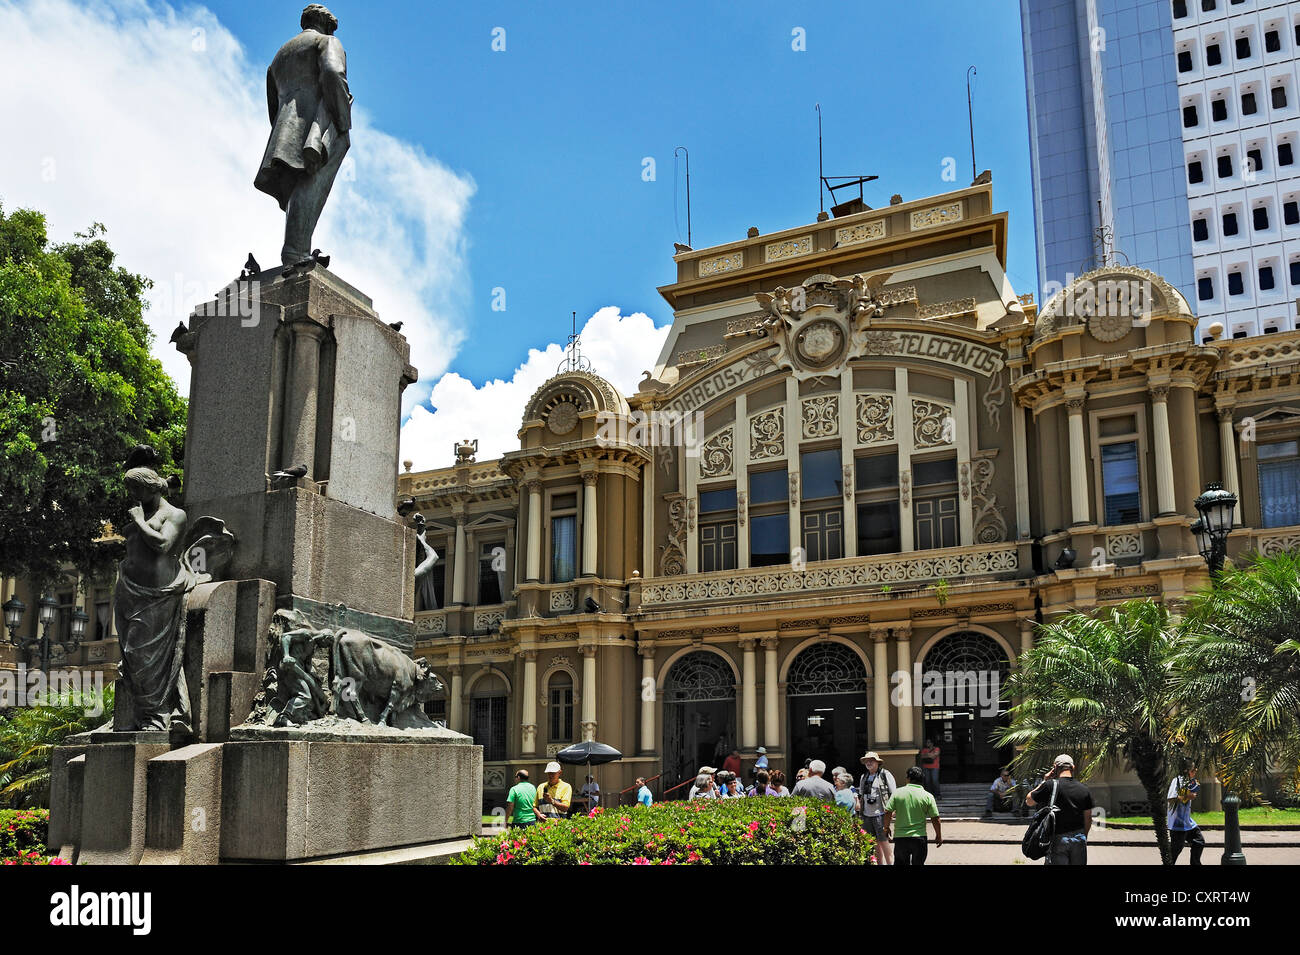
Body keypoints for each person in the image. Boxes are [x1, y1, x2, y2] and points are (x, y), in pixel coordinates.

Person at [1026, 754, 1093, 865]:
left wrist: (1044, 780)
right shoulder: (1084, 789)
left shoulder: (1050, 785)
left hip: (1057, 839)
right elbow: (1088, 817)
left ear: (1055, 767)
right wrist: (1083, 837)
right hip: (1079, 839)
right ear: (1073, 767)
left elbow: (1029, 801)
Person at [883, 766, 942, 865]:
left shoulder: (897, 793)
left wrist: (886, 827)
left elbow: (888, 812)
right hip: (919, 838)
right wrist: (938, 836)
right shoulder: (928, 796)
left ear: (908, 778)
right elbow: (935, 818)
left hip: (901, 838)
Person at [858, 752, 896, 865]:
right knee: (873, 843)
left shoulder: (885, 774)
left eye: (872, 760)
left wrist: (893, 810)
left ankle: (890, 863)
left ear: (877, 762)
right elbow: (861, 796)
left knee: (884, 841)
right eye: (867, 761)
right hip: (866, 815)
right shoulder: (863, 777)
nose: (869, 763)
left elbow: (893, 793)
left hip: (881, 814)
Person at [1167, 762, 1205, 865]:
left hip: (1187, 822)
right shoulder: (1177, 781)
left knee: (1199, 841)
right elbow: (1171, 799)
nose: (1195, 771)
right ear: (1186, 771)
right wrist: (1188, 796)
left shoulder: (1189, 781)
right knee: (1175, 851)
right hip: (1177, 823)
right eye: (1193, 770)